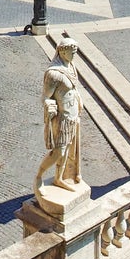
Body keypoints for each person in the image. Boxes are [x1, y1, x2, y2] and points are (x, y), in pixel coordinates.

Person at [35, 38, 83, 195]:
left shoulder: (71, 67)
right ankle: (39, 177)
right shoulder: (53, 74)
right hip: (62, 119)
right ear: (62, 51)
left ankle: (59, 178)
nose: (74, 56)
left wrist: (79, 100)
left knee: (68, 150)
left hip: (73, 117)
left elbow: (73, 89)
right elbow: (45, 97)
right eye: (72, 52)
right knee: (59, 152)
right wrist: (48, 105)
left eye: (75, 52)